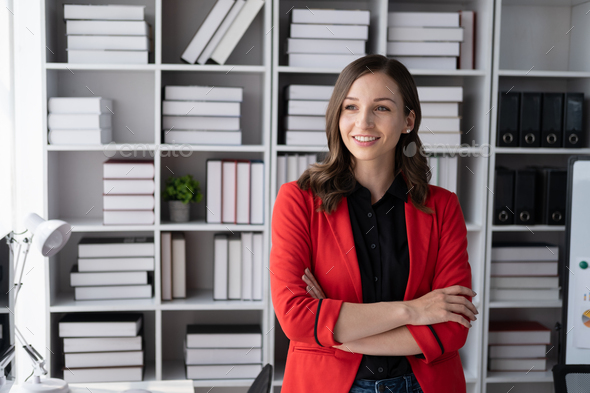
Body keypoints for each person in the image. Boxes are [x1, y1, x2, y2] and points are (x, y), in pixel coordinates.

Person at [269, 54, 477, 393]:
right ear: (337, 116)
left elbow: (452, 328)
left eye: (381, 108)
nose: (363, 122)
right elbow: (296, 318)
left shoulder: (443, 206)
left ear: (407, 120)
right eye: (351, 107)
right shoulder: (299, 200)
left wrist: (335, 332)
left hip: (423, 385)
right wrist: (414, 311)